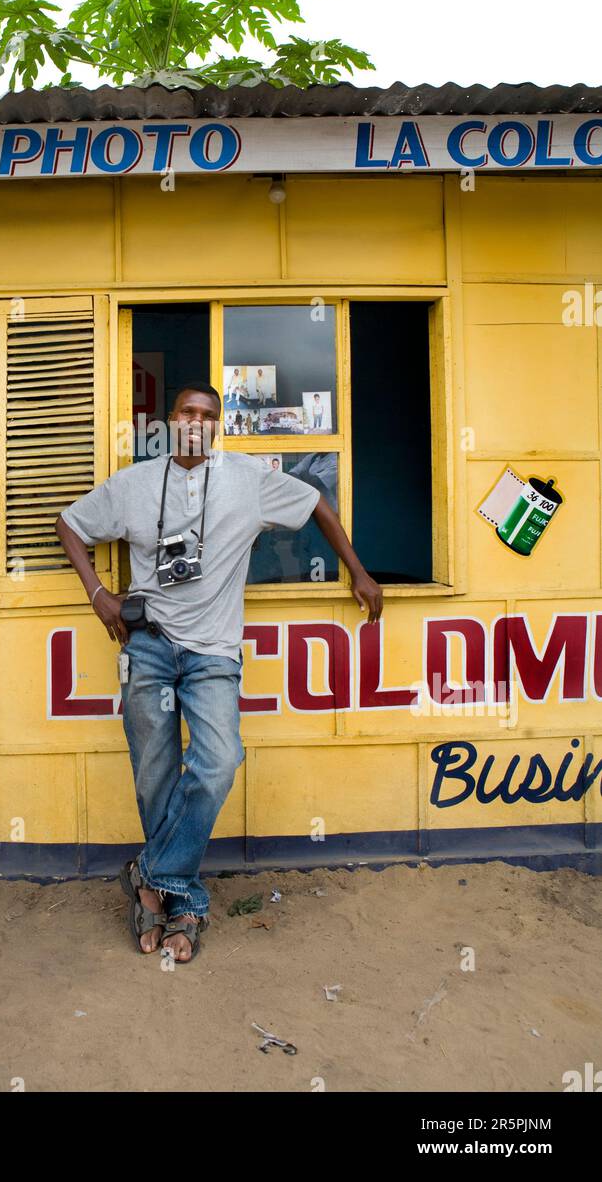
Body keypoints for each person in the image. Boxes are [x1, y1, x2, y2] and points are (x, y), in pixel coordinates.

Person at [54, 382, 383, 964]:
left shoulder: (247, 480)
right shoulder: (134, 484)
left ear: (217, 425)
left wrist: (357, 571)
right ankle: (180, 906)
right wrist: (98, 594)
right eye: (187, 411)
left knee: (219, 761)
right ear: (170, 420)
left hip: (212, 655)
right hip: (148, 649)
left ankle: (150, 878)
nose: (196, 422)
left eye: (208, 414)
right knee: (154, 777)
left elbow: (316, 506)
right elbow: (69, 525)